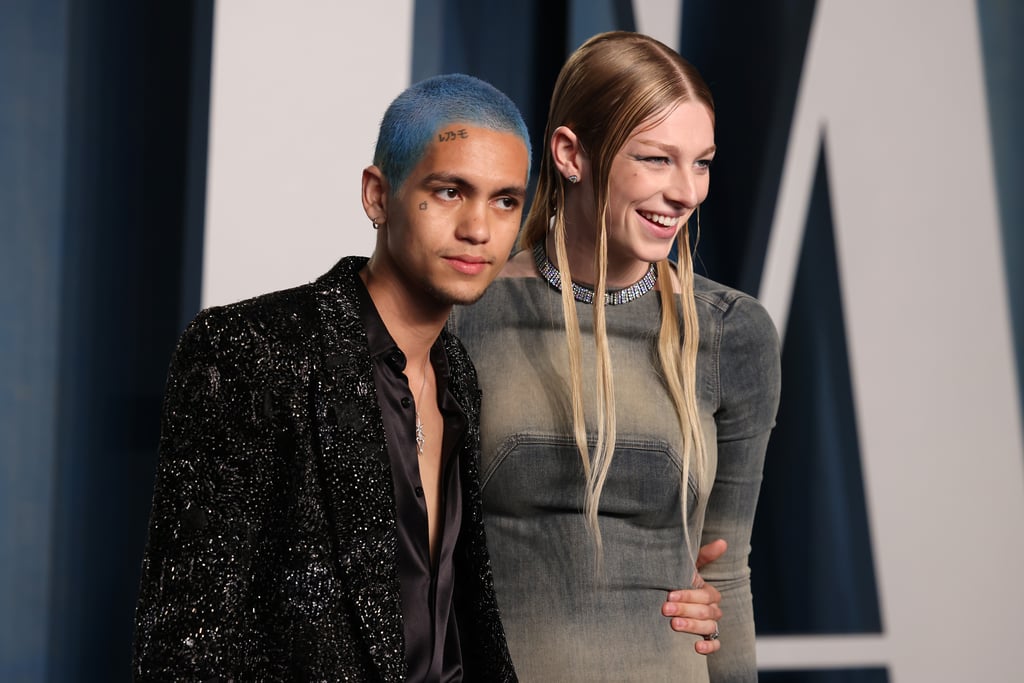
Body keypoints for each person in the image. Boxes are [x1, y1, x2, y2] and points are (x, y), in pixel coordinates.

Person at [132, 73, 532, 681]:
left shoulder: (460, 380)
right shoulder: (251, 350)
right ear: (377, 195)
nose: (479, 228)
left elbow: (455, 613)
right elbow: (186, 643)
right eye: (450, 191)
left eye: (505, 200)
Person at [448, 31, 782, 682]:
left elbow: (729, 576)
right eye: (657, 159)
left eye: (702, 162)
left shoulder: (732, 334)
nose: (687, 191)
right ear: (572, 153)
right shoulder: (466, 313)